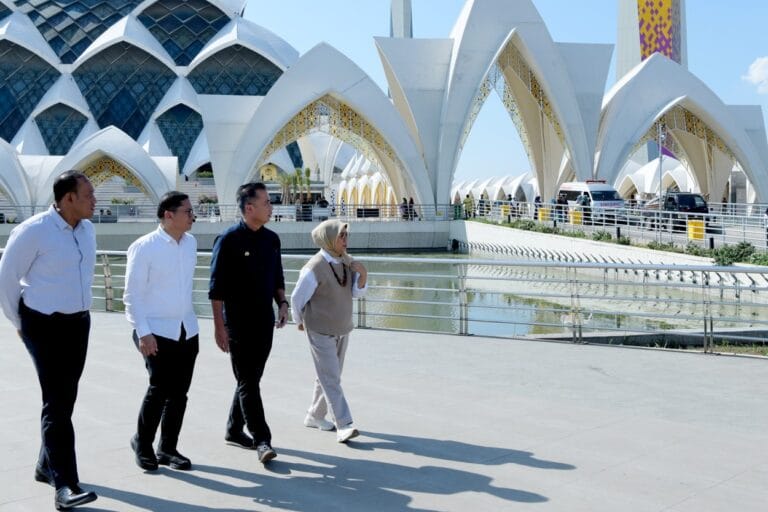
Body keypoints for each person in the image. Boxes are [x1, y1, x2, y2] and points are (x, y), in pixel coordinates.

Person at [0, 171, 98, 510]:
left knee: (64, 401)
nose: (94, 201)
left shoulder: (88, 231)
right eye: (88, 195)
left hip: (78, 324)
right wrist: (20, 324)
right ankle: (65, 486)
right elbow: (6, 280)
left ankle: (46, 465)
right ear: (67, 198)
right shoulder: (33, 231)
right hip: (43, 325)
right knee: (56, 404)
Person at [209, 182, 289, 464]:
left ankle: (233, 429)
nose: (271, 207)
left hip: (264, 322)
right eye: (266, 202)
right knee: (248, 381)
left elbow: (277, 277)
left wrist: (282, 304)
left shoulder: (272, 240)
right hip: (238, 325)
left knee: (250, 379)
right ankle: (262, 439)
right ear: (249, 208)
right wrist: (219, 327)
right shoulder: (228, 239)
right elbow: (216, 289)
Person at [124, 191, 199, 472]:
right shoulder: (144, 247)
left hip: (187, 330)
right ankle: (142, 443)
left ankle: (167, 448)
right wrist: (143, 333)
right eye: (188, 211)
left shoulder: (190, 243)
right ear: (169, 215)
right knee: (159, 389)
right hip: (154, 331)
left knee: (180, 393)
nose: (193, 216)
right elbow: (132, 296)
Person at [290, 220, 368, 443]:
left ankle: (314, 415)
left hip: (342, 328)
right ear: (329, 238)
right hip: (320, 330)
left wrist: (363, 275)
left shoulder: (346, 261)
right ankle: (344, 424)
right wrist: (299, 321)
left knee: (327, 376)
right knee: (331, 378)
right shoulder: (314, 267)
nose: (345, 240)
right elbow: (297, 298)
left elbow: (356, 293)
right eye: (341, 236)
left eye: (346, 235)